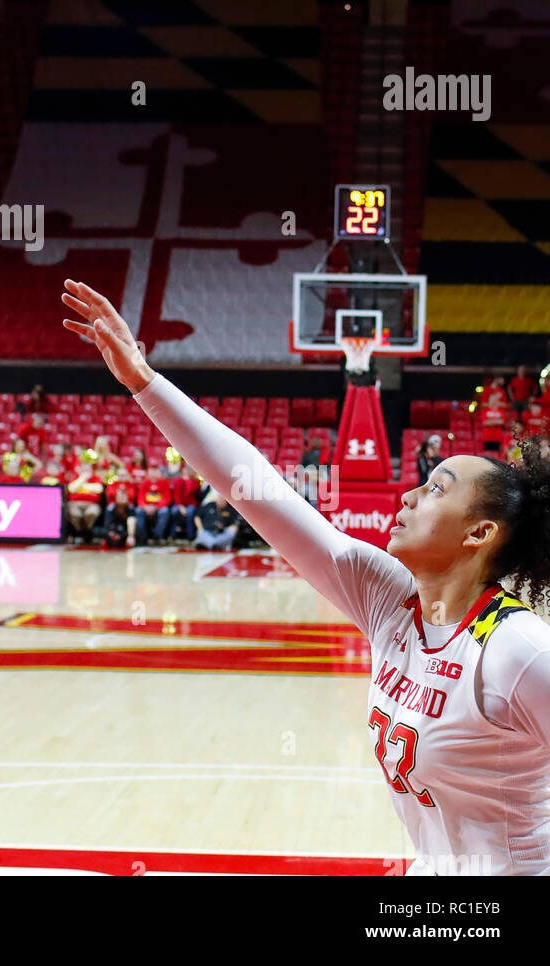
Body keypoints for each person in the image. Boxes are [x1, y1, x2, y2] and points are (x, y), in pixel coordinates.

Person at [63, 276, 550, 877]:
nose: (409, 495)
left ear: (479, 535)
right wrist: (144, 381)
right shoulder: (388, 601)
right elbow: (262, 495)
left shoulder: (517, 650)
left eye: (436, 489)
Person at [65, 460, 104, 544]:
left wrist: (81, 486)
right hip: (75, 504)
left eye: (88, 470)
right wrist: (83, 478)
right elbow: (71, 489)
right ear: (81, 470)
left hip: (91, 504)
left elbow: (99, 489)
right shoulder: (75, 478)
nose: (87, 472)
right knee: (75, 514)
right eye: (85, 470)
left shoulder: (95, 478)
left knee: (91, 513)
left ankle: (86, 532)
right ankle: (79, 533)